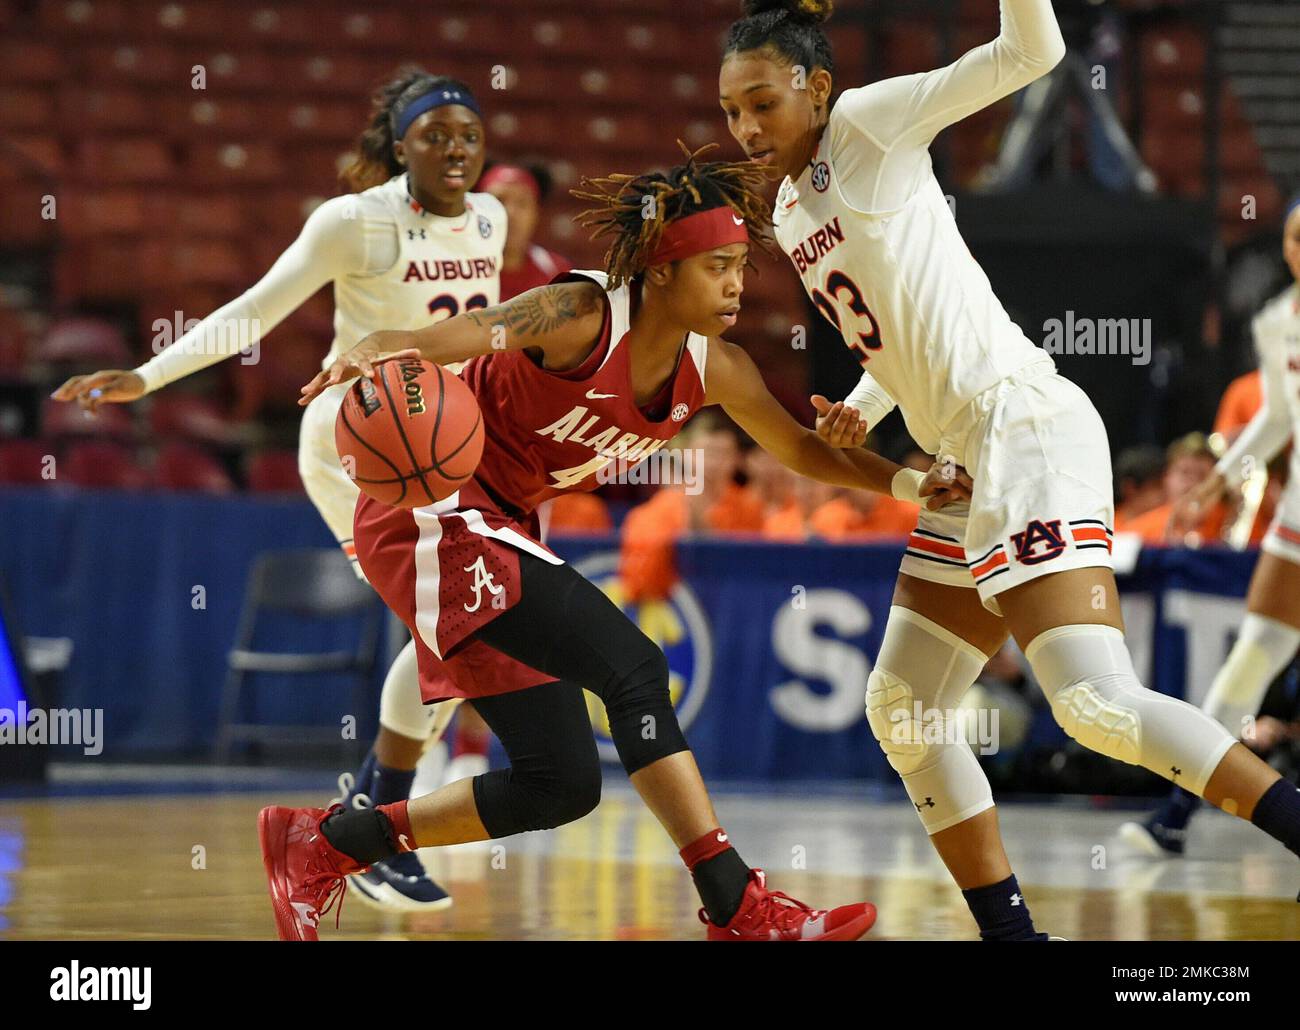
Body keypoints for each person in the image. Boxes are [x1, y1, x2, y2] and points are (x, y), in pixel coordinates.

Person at [265, 144, 970, 941]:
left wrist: (911, 486)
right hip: (435, 514)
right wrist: (385, 341)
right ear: (662, 270)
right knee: (636, 667)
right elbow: (480, 326)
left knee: (559, 784)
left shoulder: (719, 368)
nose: (738, 283)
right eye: (718, 266)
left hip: (502, 528)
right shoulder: (580, 315)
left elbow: (805, 450)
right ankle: (737, 904)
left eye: (742, 264)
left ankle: (319, 845)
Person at [718, 0, 1300, 940]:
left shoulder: (866, 121)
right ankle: (1011, 935)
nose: (744, 130)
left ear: (816, 89)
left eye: (762, 105)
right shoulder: (790, 208)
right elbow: (896, 340)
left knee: (1094, 706)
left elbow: (1035, 49)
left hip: (1023, 427)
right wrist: (861, 412)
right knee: (903, 708)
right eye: (730, 112)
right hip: (962, 456)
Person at [51, 68, 527, 912]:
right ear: (400, 143)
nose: (455, 148)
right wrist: (149, 376)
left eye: (469, 134)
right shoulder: (353, 222)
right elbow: (255, 310)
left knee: (463, 627)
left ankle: (370, 820)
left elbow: (476, 342)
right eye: (435, 133)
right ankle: (376, 824)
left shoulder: (489, 218)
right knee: (450, 621)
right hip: (359, 443)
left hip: (443, 446)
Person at [1121, 196, 1300, 856]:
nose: (1297, 249)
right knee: (1251, 655)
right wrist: (1222, 480)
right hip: (1296, 521)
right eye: (1290, 238)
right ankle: (1176, 811)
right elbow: (1279, 418)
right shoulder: (1280, 320)